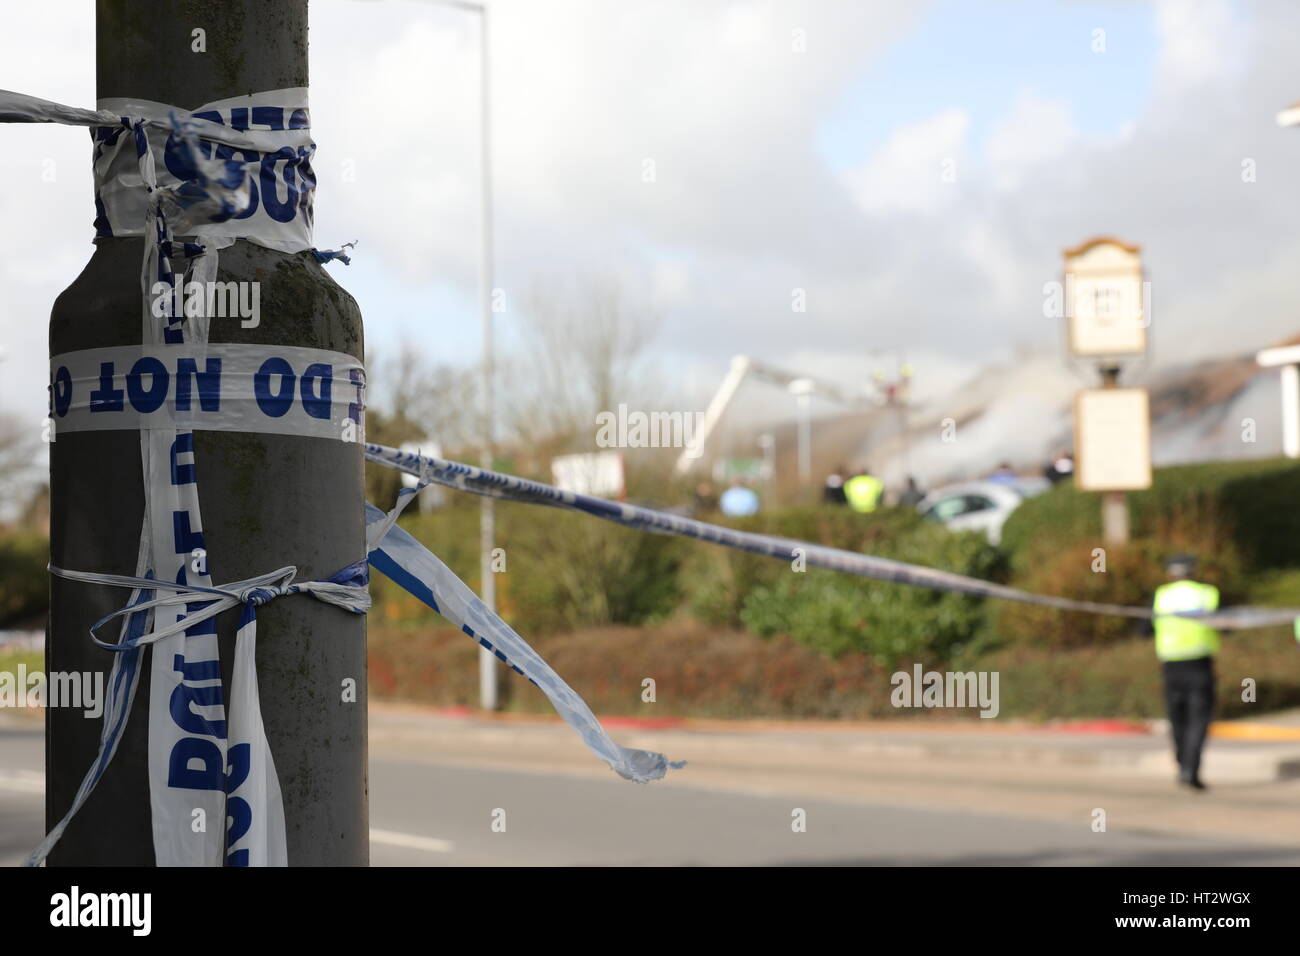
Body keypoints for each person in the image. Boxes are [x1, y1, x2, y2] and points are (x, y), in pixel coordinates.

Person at [1151, 555, 1220, 791]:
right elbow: (1227, 624)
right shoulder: (1208, 594)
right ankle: (1191, 769)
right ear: (1193, 571)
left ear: (1170, 573)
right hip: (1199, 665)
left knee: (1177, 718)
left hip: (1171, 666)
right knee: (1198, 720)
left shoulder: (1161, 596)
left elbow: (1143, 628)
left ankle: (1182, 764)